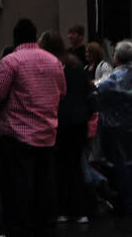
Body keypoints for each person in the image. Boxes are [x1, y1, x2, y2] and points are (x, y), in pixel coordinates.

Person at [0, 18, 66, 237]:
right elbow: (62, 92)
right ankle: (46, 233)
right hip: (47, 132)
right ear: (35, 36)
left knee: (19, 187)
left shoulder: (10, 61)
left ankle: (21, 235)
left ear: (15, 37)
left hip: (17, 134)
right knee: (46, 185)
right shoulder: (54, 61)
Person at [40, 31, 96, 225]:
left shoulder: (51, 65)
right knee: (76, 165)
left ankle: (63, 209)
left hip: (60, 120)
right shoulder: (75, 64)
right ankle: (80, 209)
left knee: (60, 167)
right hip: (79, 121)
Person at [96, 41, 132, 217]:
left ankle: (126, 202)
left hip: (116, 128)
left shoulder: (114, 77)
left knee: (121, 166)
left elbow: (100, 90)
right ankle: (131, 201)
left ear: (117, 57)